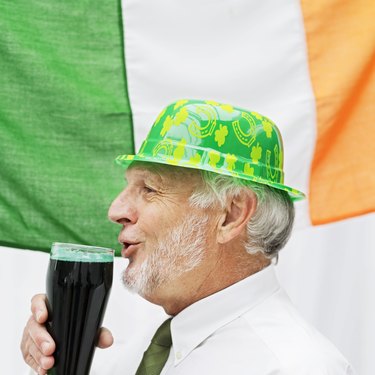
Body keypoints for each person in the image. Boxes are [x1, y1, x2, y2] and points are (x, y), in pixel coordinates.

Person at [21, 99, 355, 374]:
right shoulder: (143, 351)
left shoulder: (297, 367)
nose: (116, 209)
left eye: (149, 188)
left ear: (232, 214)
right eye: (127, 187)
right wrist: (54, 362)